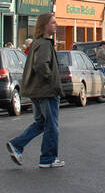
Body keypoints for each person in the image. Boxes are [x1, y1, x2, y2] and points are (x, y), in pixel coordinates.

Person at [7, 13, 65, 168]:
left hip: (36, 91)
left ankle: (17, 145)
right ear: (44, 25)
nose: (56, 25)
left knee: (41, 123)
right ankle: (48, 158)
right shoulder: (45, 44)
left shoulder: (36, 43)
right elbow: (41, 65)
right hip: (46, 91)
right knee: (51, 125)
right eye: (53, 22)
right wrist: (51, 81)